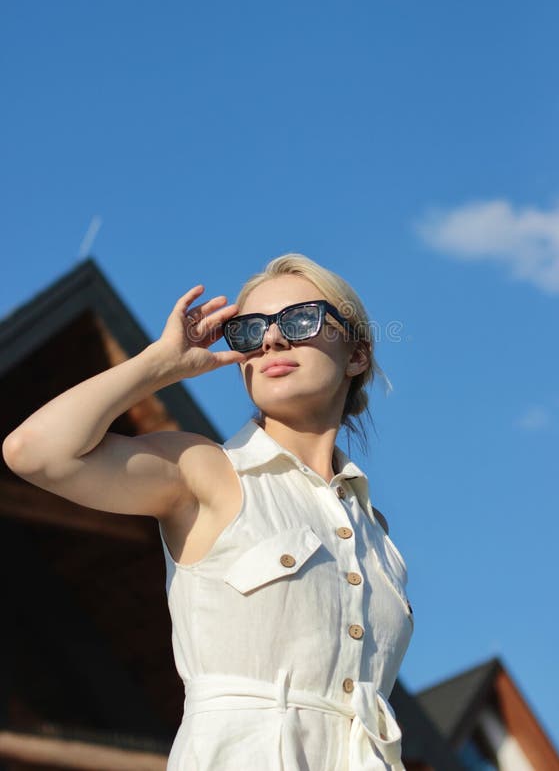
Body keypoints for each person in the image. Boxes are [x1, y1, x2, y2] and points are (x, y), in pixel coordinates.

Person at [2, 253, 414, 770]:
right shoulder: (206, 471)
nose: (272, 340)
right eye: (248, 330)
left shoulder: (377, 535)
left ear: (357, 355)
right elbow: (34, 452)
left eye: (300, 320)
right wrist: (157, 365)